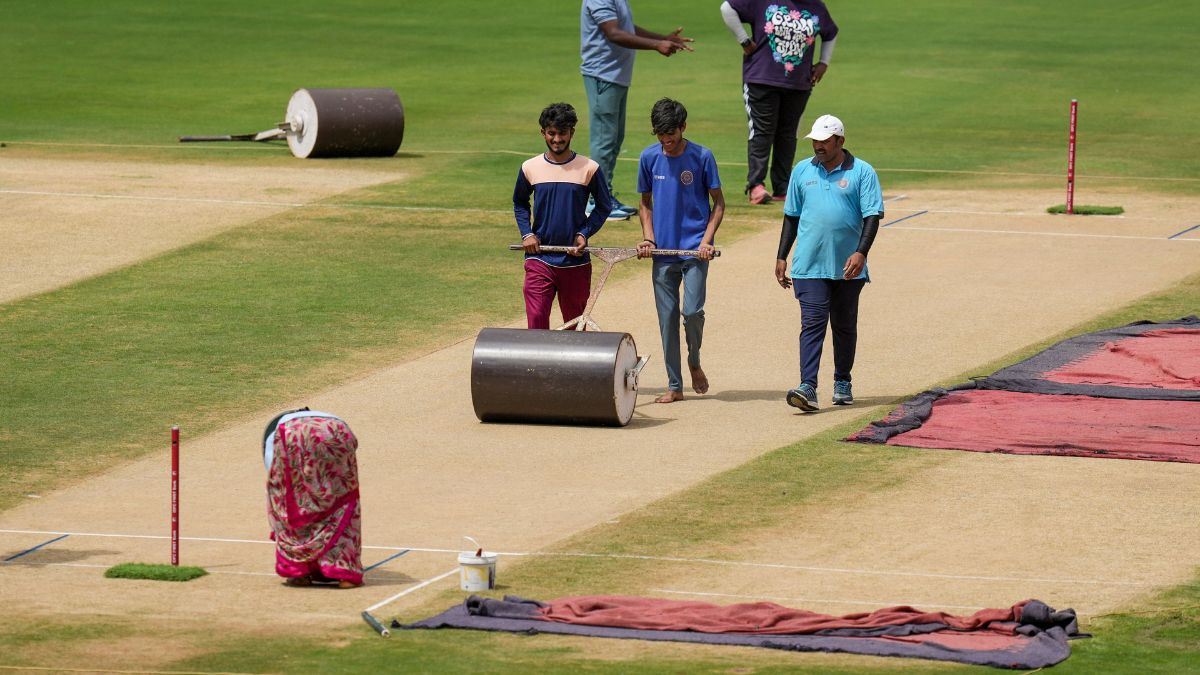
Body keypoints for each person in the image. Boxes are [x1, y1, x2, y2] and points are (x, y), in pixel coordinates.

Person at [775, 114, 882, 411]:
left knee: (844, 325)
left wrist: (861, 253)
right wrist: (782, 254)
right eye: (815, 141)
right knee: (812, 323)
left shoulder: (862, 172)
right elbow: (792, 216)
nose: (818, 147)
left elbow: (872, 216)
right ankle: (808, 386)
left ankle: (842, 380)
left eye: (824, 141)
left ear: (840, 141)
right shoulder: (802, 171)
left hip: (848, 267)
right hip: (809, 264)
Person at [636, 98, 725, 403]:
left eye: (671, 136)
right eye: (660, 136)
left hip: (694, 252)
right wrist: (648, 239)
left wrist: (707, 241)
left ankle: (694, 361)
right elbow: (645, 204)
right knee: (667, 318)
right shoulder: (648, 158)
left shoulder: (702, 156)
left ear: (683, 128)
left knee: (692, 312)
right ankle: (675, 385)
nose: (666, 142)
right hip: (663, 254)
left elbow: (719, 203)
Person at [581, 0, 694, 220]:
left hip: (615, 76)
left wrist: (661, 39)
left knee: (614, 139)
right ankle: (596, 201)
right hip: (602, 74)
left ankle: (605, 195)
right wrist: (655, 45)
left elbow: (626, 28)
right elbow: (614, 33)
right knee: (604, 140)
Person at [719, 0, 838, 205]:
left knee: (788, 134)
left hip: (799, 82)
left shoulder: (816, 6)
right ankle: (756, 185)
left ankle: (783, 188)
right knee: (762, 131)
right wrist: (744, 40)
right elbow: (727, 8)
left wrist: (824, 63)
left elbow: (831, 32)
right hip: (761, 78)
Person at [514, 102, 613, 329]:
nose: (557, 139)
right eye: (551, 133)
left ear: (572, 133)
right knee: (537, 319)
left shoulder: (589, 168)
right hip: (540, 258)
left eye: (562, 133)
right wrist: (526, 233)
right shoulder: (530, 167)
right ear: (543, 133)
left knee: (574, 327)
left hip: (575, 262)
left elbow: (603, 206)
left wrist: (584, 233)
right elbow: (520, 202)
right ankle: (537, 366)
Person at [264, 408, 363, 588]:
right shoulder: (333, 417)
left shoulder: (279, 428)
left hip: (293, 435)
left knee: (290, 507)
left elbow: (274, 471)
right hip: (338, 432)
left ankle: (299, 573)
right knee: (341, 502)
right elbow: (353, 443)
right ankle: (344, 573)